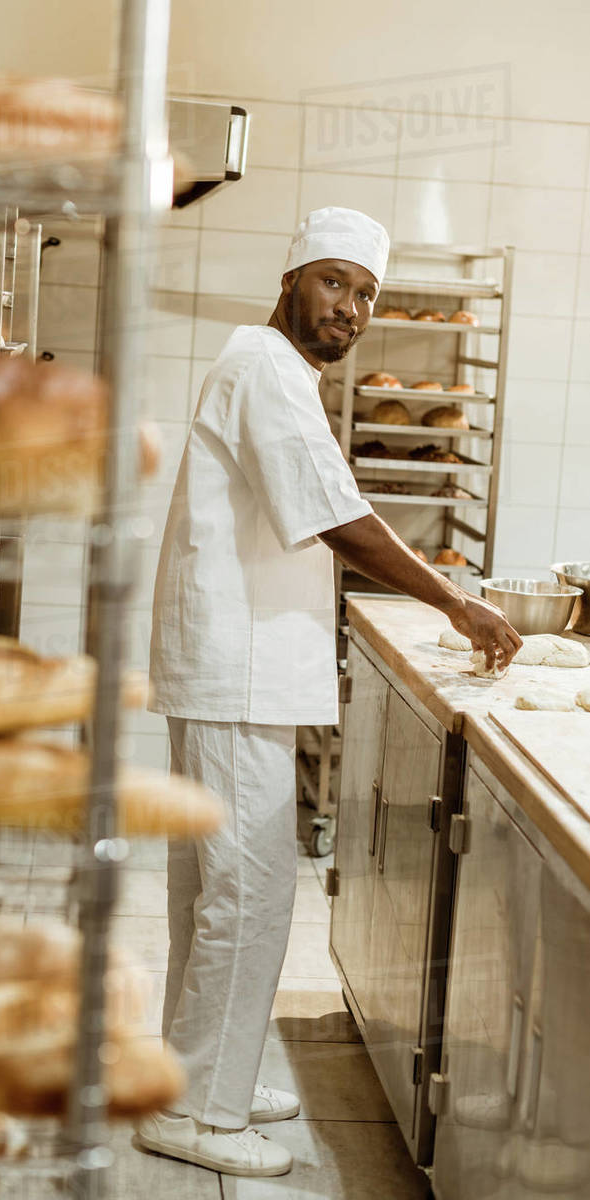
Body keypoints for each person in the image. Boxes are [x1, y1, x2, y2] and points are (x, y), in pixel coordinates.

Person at [135, 207, 522, 1178]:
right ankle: (200, 1116)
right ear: (292, 277)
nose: (348, 309)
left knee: (215, 891)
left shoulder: (272, 372)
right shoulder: (266, 369)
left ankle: (195, 1080)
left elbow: (322, 512)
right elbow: (338, 518)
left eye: (365, 295)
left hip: (236, 668)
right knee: (248, 893)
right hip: (236, 673)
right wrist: (457, 604)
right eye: (334, 282)